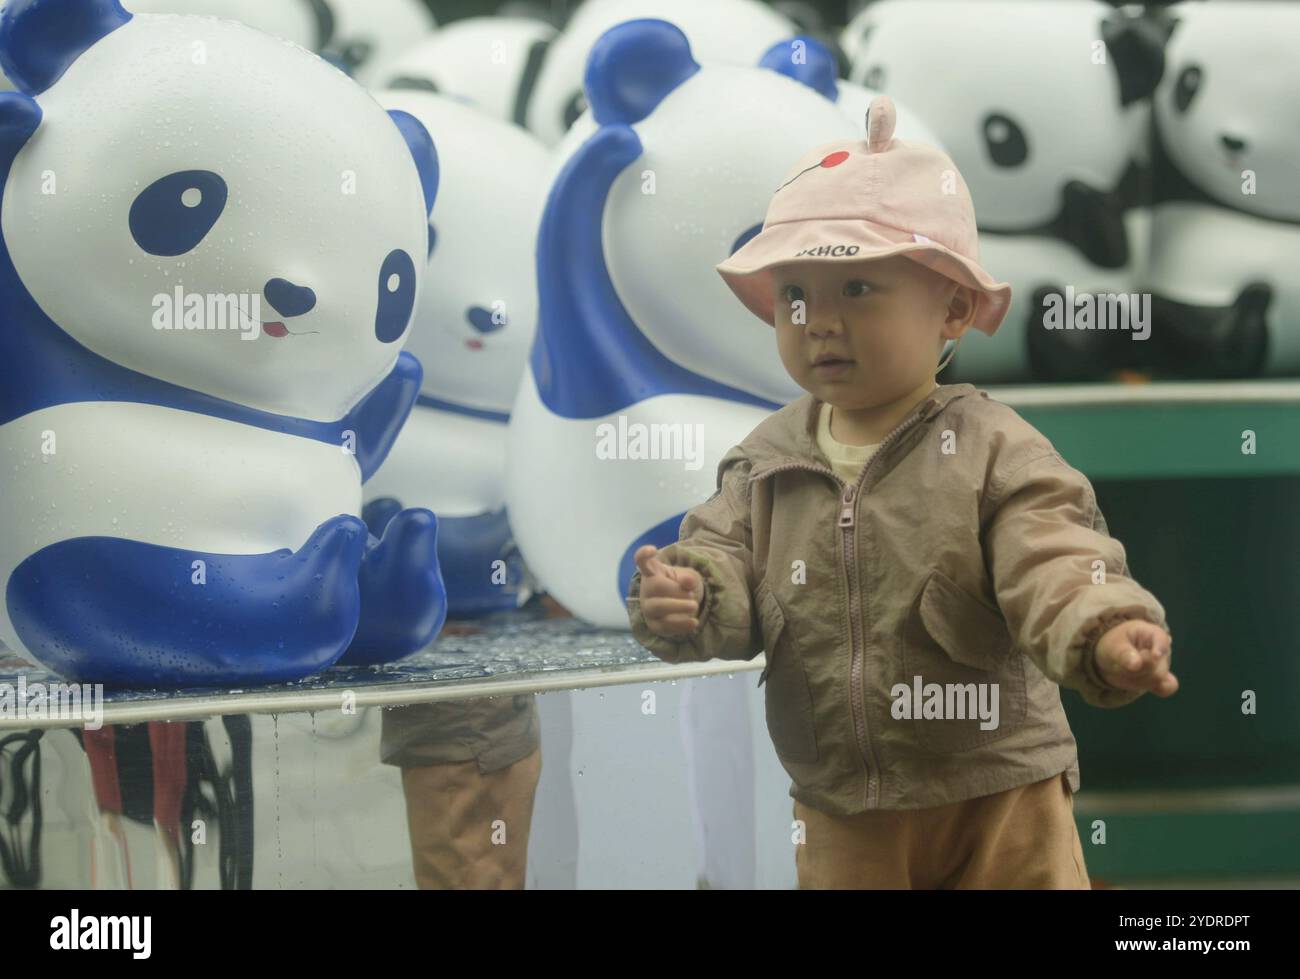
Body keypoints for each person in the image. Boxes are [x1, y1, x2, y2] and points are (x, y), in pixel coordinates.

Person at [625, 95, 1178, 889]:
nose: (817, 321)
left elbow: (1052, 557)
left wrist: (1104, 625)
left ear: (953, 305)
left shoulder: (993, 449)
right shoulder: (763, 463)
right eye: (795, 297)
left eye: (856, 289)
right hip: (843, 805)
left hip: (1000, 788)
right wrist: (689, 595)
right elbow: (723, 565)